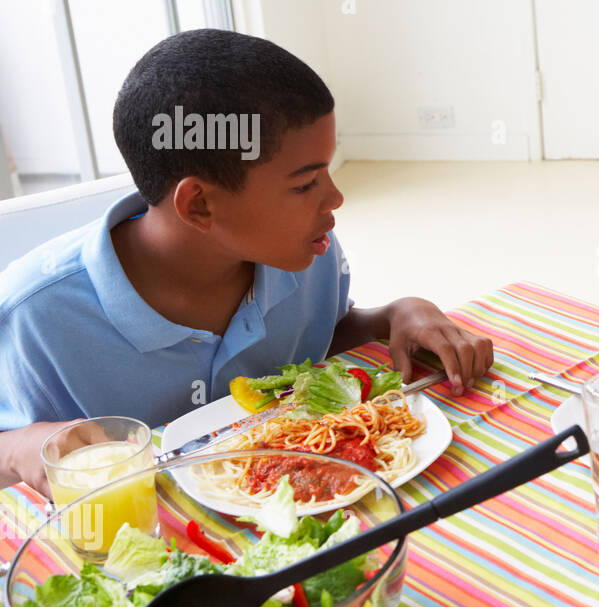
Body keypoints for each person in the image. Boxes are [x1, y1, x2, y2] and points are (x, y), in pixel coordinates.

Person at [0, 29, 493, 496]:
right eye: (304, 184)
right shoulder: (34, 316)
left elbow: (310, 348)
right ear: (198, 205)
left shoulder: (306, 255)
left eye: (328, 170)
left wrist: (394, 316)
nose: (336, 198)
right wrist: (21, 447)